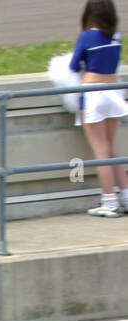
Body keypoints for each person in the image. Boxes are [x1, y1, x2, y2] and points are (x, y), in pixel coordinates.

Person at [72, 0, 128, 217]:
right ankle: (125, 196)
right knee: (110, 149)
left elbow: (73, 65)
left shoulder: (86, 37)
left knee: (101, 151)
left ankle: (109, 202)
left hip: (93, 94)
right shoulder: (116, 37)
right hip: (114, 92)